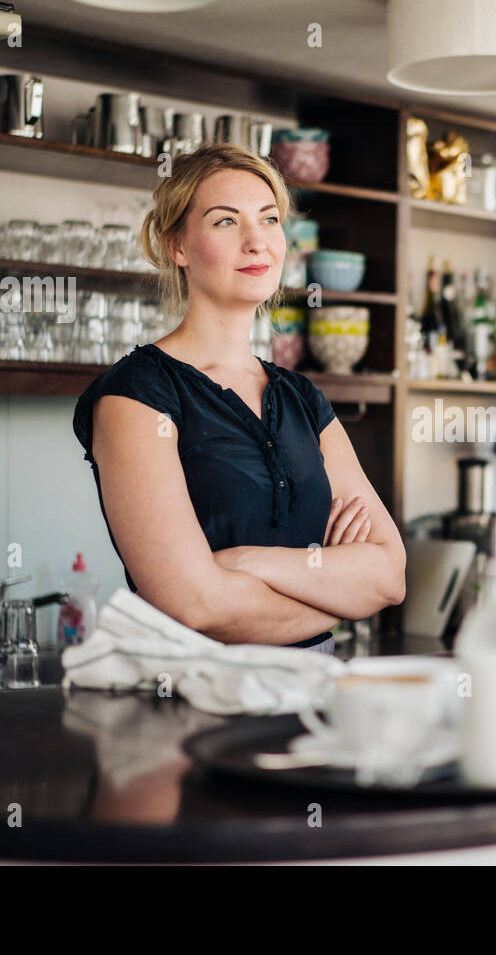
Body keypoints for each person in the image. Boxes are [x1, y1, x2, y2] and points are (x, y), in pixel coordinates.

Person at [72, 143, 404, 653]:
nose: (257, 242)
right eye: (226, 222)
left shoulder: (302, 399)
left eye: (269, 220)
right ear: (176, 246)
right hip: (195, 705)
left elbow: (388, 576)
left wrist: (249, 561)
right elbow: (196, 605)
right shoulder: (136, 395)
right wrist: (340, 594)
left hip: (315, 698)